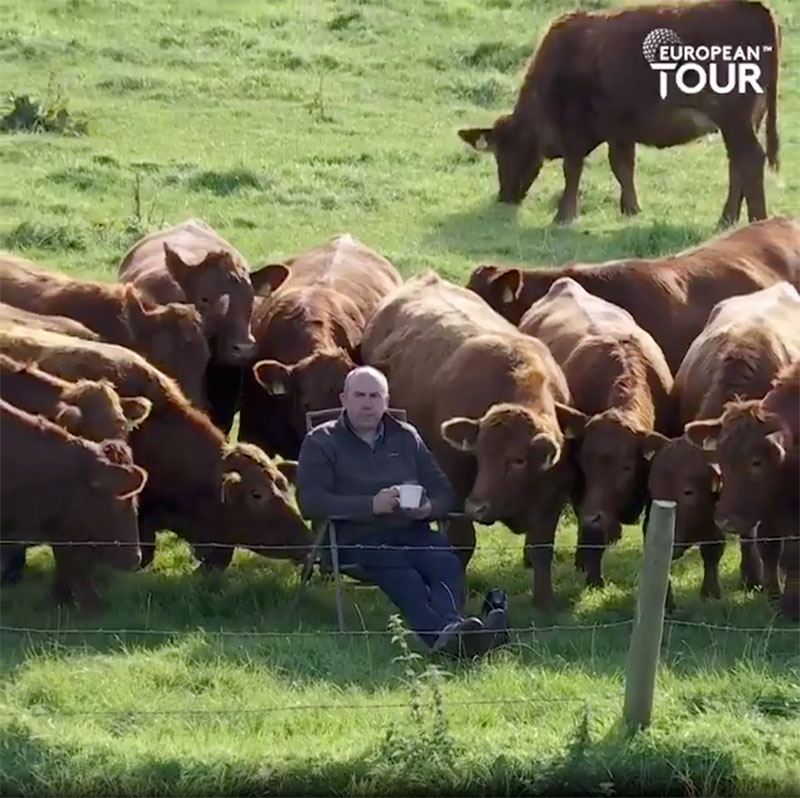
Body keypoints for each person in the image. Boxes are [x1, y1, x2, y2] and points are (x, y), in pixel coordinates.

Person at [296, 365, 508, 657]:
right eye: (360, 395)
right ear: (344, 399)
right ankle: (445, 638)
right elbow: (310, 501)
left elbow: (444, 492)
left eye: (375, 396)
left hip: (411, 530)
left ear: (386, 401)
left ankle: (454, 629)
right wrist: (370, 505)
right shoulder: (322, 441)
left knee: (445, 560)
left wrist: (428, 508)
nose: (368, 403)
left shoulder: (406, 437)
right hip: (355, 538)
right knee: (404, 574)